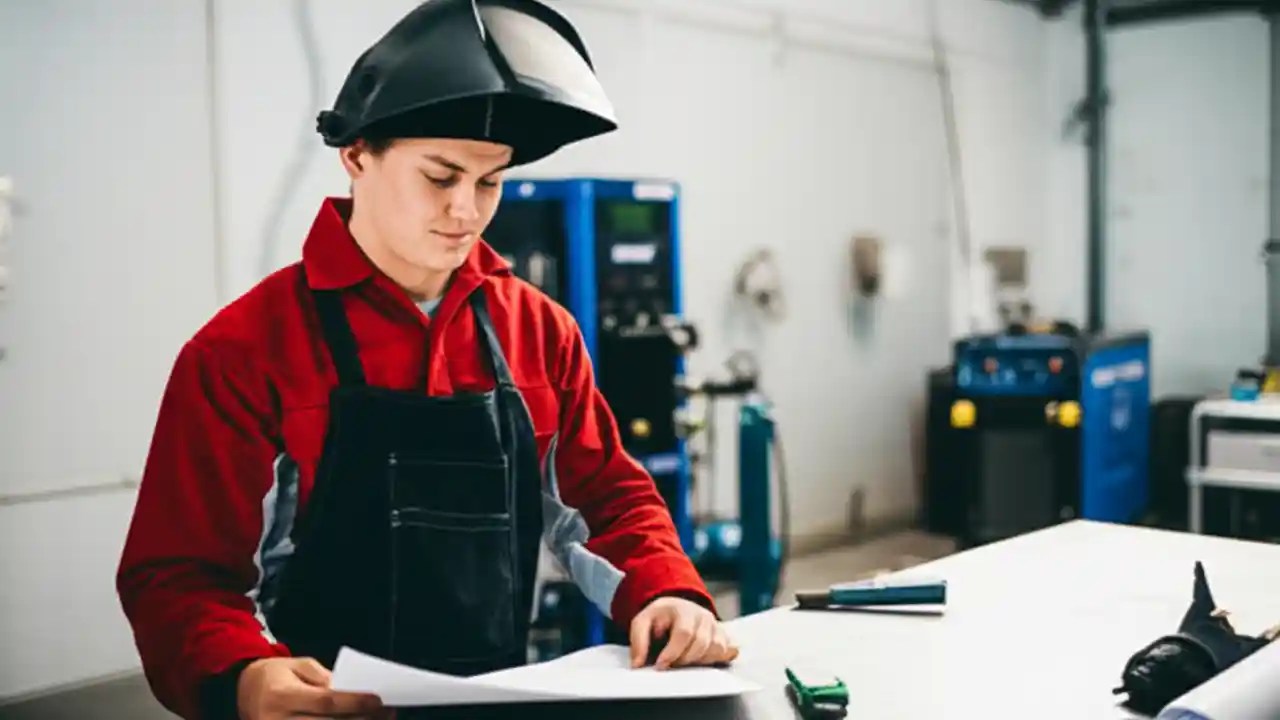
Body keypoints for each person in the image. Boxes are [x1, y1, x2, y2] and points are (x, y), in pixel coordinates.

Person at [115, 1, 738, 718]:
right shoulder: (243, 351)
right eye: (440, 178)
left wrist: (665, 587)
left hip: (494, 701)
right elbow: (180, 576)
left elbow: (606, 500)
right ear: (356, 156)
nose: (467, 212)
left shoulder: (542, 333)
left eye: (490, 181)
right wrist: (245, 675)